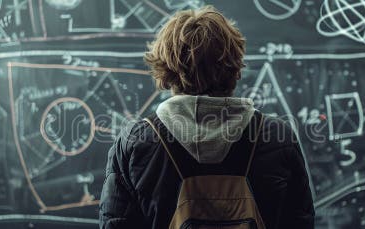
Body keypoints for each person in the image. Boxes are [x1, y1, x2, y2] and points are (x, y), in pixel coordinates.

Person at [99, 5, 314, 229]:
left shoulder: (134, 144)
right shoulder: (278, 138)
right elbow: (301, 222)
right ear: (235, 65)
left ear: (166, 69)